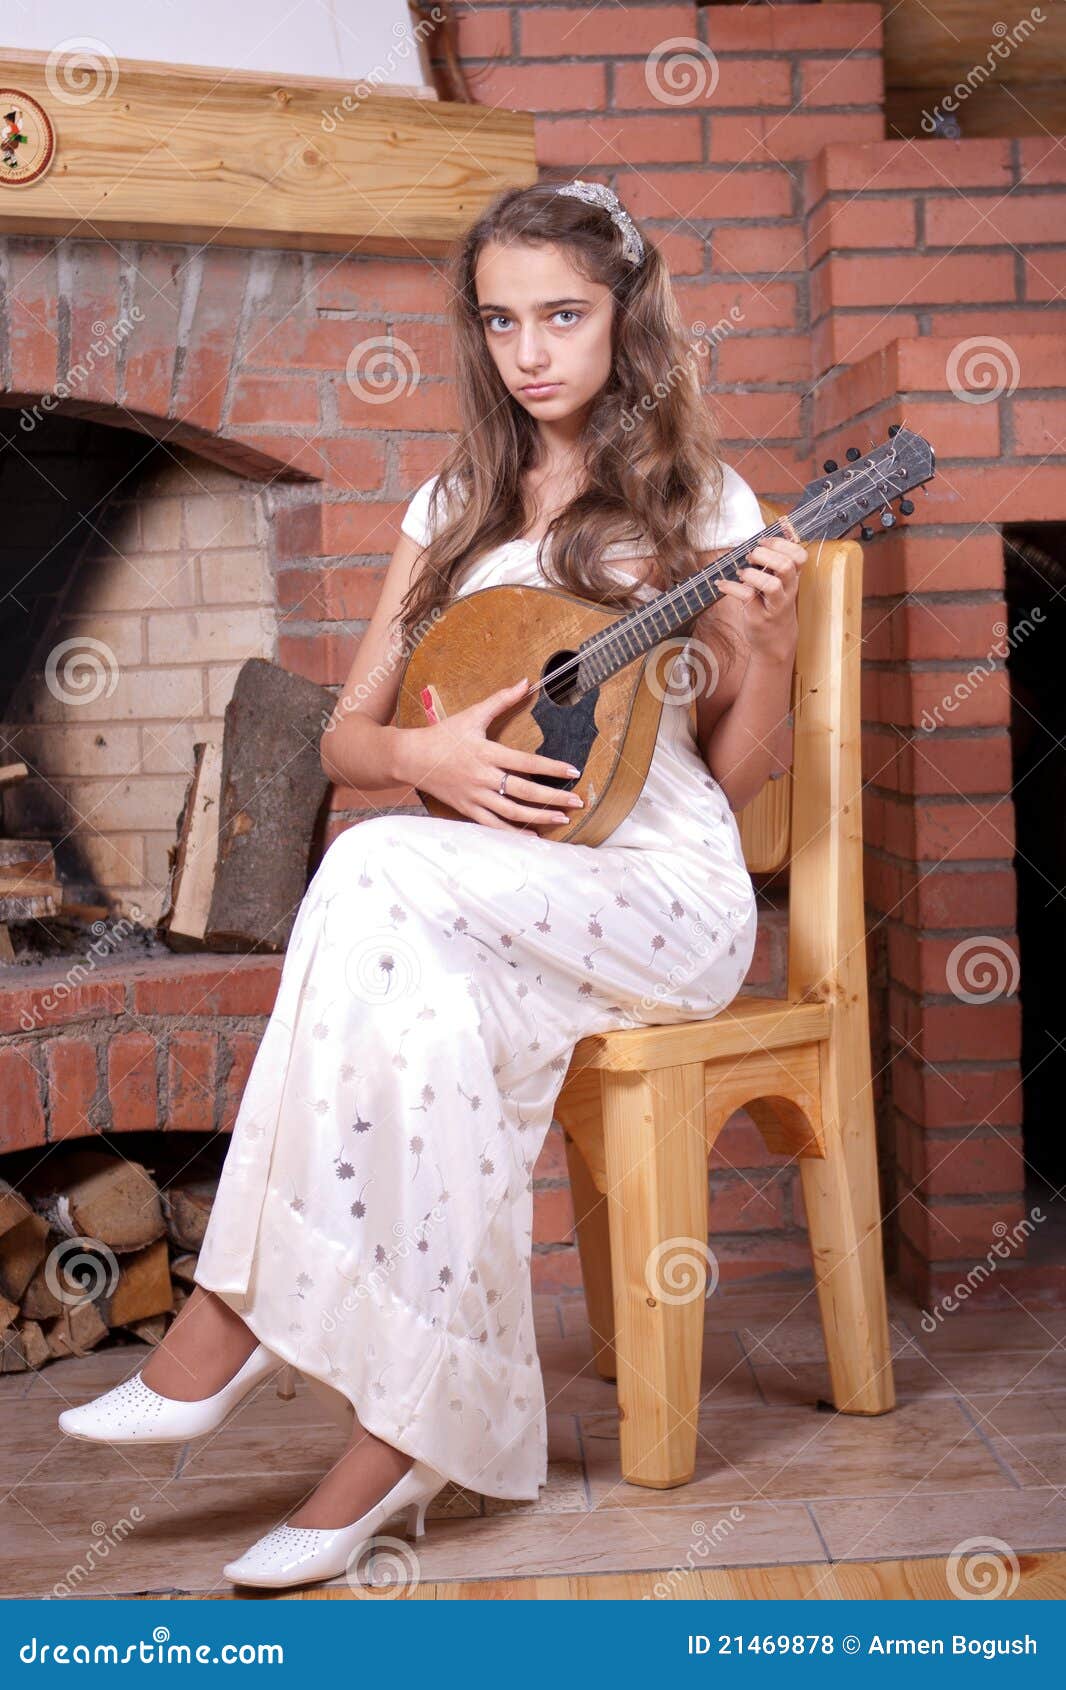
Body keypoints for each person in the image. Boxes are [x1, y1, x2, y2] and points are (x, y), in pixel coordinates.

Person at [57, 179, 805, 1590]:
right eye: (503, 320)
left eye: (565, 317)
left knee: (367, 862)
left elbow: (739, 778)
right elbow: (343, 738)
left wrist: (763, 648)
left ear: (625, 318)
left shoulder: (699, 500)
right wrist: (429, 759)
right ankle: (403, 1439)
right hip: (478, 885)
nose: (532, 352)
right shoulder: (453, 502)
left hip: (655, 892)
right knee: (423, 989)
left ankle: (232, 1309)